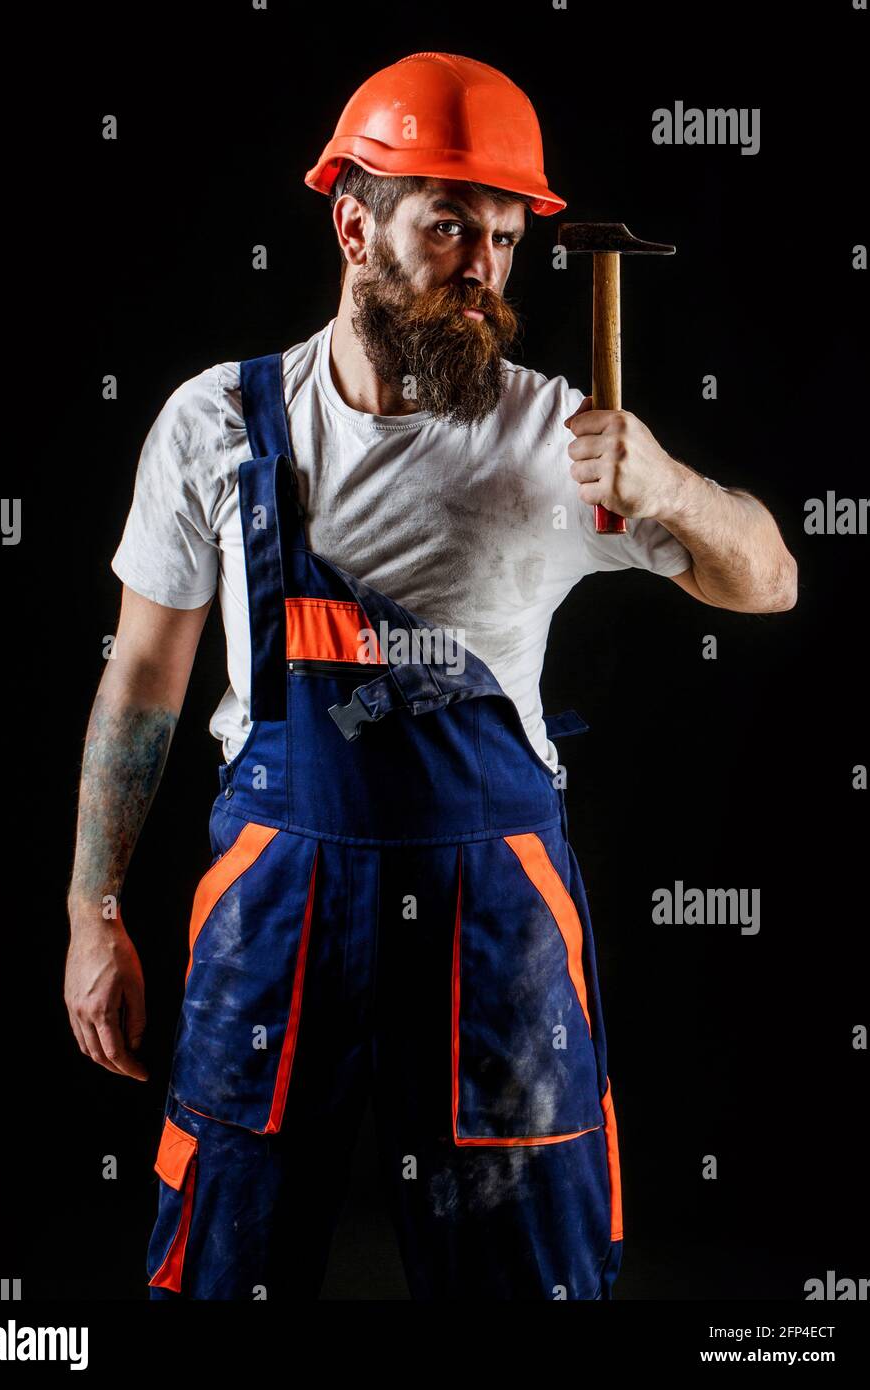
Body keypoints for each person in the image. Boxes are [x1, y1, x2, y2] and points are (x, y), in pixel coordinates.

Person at [64, 52, 797, 1301]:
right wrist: (94, 911)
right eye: (451, 225)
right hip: (274, 901)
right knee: (224, 1249)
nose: (485, 267)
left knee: (528, 1269)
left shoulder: (557, 436)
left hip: (494, 912)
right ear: (353, 222)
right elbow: (142, 678)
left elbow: (770, 579)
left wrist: (666, 485)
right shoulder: (218, 424)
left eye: (507, 237)